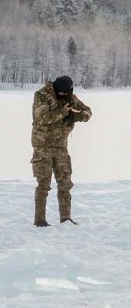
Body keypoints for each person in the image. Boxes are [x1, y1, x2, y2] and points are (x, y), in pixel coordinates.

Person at [31, 76, 92, 226]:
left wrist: (79, 115)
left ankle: (66, 218)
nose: (64, 96)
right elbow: (42, 118)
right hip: (43, 147)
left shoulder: (71, 97)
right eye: (61, 94)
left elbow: (88, 111)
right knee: (43, 184)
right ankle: (40, 220)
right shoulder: (42, 95)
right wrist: (63, 112)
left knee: (65, 183)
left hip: (61, 147)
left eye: (66, 94)